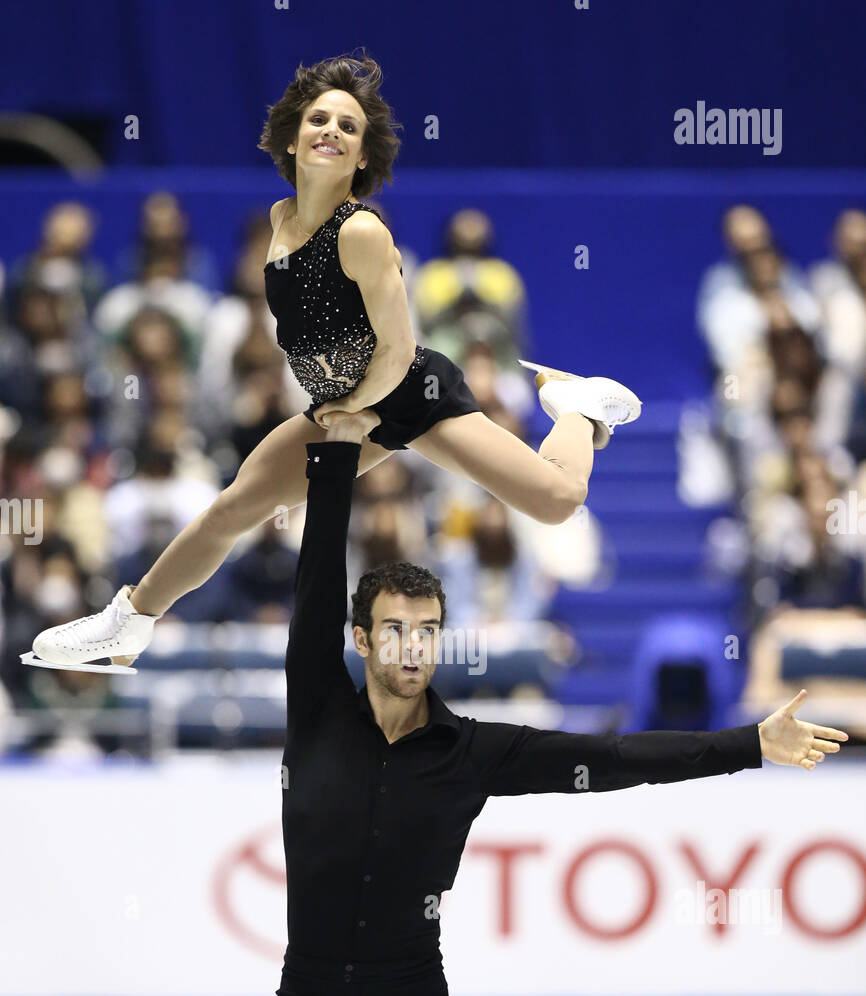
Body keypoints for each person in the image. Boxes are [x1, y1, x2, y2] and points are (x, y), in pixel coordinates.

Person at [226, 429, 848, 996]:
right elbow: (316, 571)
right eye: (394, 633)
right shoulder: (317, 709)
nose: (412, 649)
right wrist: (330, 457)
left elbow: (619, 756)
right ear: (362, 641)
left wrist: (748, 743)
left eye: (427, 633)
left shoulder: (473, 752)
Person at [23, 50, 641, 673]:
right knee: (235, 506)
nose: (332, 132)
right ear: (292, 139)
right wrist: (337, 409)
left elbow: (398, 351)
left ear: (364, 156)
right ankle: (126, 622)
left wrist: (354, 413)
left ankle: (577, 408)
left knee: (558, 501)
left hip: (410, 395)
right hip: (341, 403)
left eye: (349, 128)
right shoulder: (280, 219)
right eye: (320, 119)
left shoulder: (363, 233)